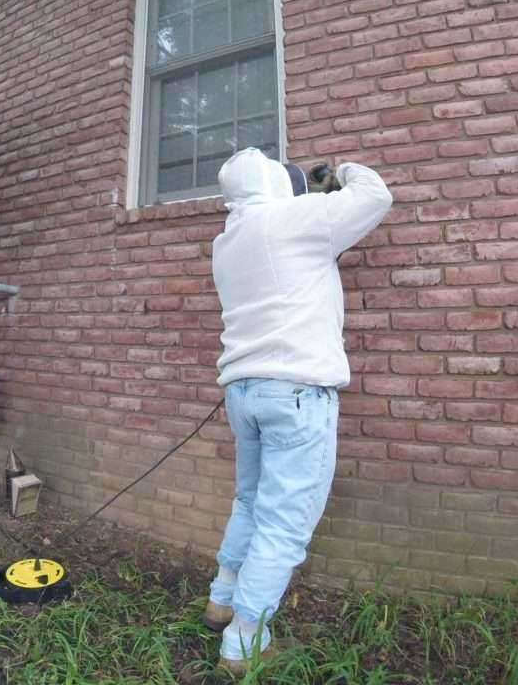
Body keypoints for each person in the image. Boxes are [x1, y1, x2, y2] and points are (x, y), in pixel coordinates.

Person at [204, 147, 393, 673]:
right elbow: (375, 196)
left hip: (244, 392)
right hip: (295, 394)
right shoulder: (292, 218)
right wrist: (342, 172)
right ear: (274, 186)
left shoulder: (227, 242)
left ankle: (222, 597)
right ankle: (243, 645)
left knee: (249, 501)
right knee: (283, 525)